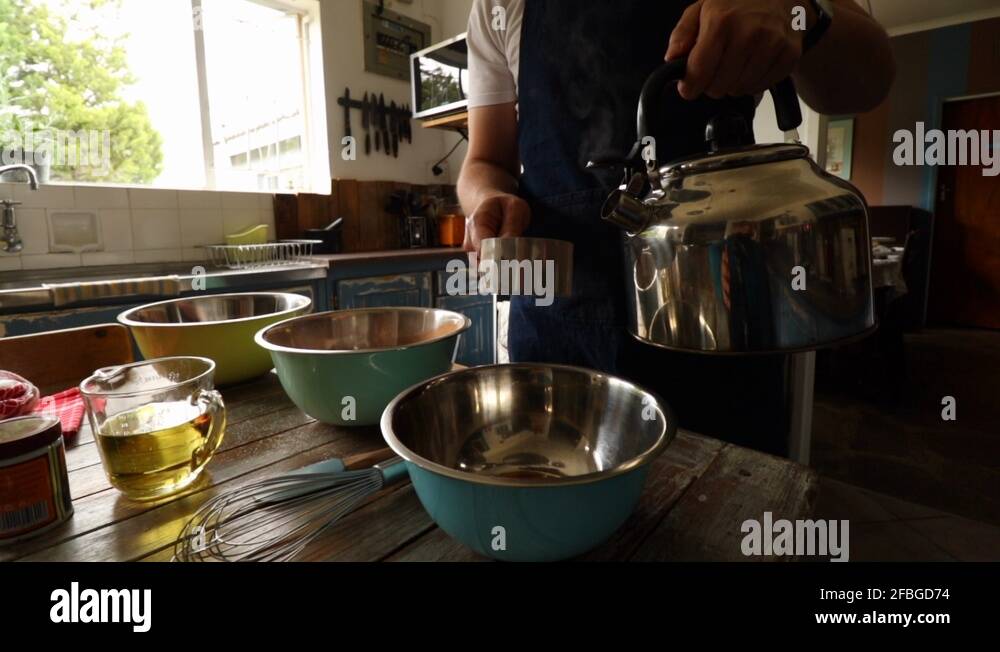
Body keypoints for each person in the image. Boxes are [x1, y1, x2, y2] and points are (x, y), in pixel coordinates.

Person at [457, 0, 894, 455]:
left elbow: (872, 79)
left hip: (715, 320)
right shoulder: (496, 6)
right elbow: (484, 161)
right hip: (555, 332)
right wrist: (486, 198)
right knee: (548, 478)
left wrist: (800, 13)